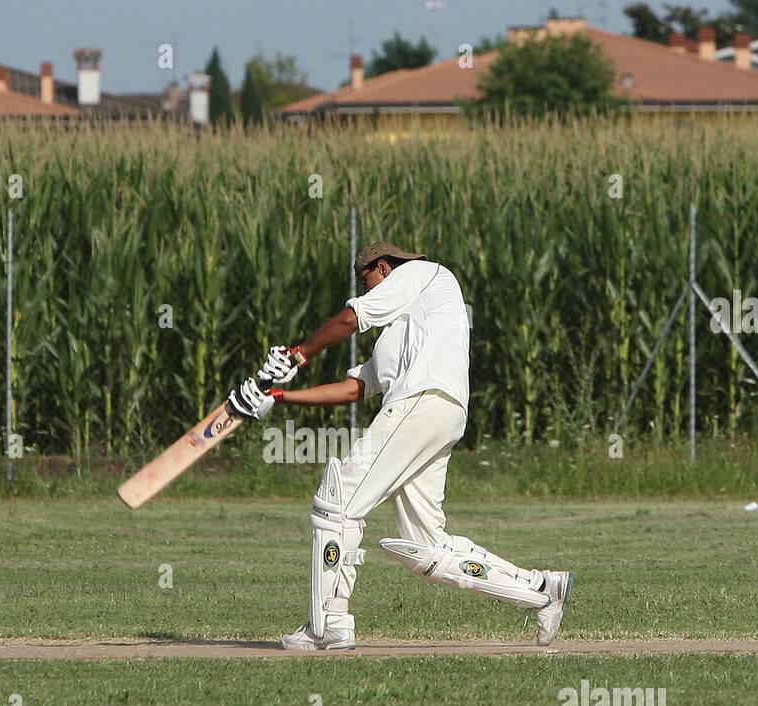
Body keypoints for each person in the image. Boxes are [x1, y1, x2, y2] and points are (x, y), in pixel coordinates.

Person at [227, 241, 571, 651]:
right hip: (437, 412)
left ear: (384, 266)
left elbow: (352, 317)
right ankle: (542, 589)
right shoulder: (399, 336)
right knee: (427, 545)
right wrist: (281, 398)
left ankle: (327, 624)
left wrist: (298, 355)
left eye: (365, 278)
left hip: (422, 401)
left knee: (336, 504)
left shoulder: (424, 274)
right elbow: (357, 388)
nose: (365, 287)